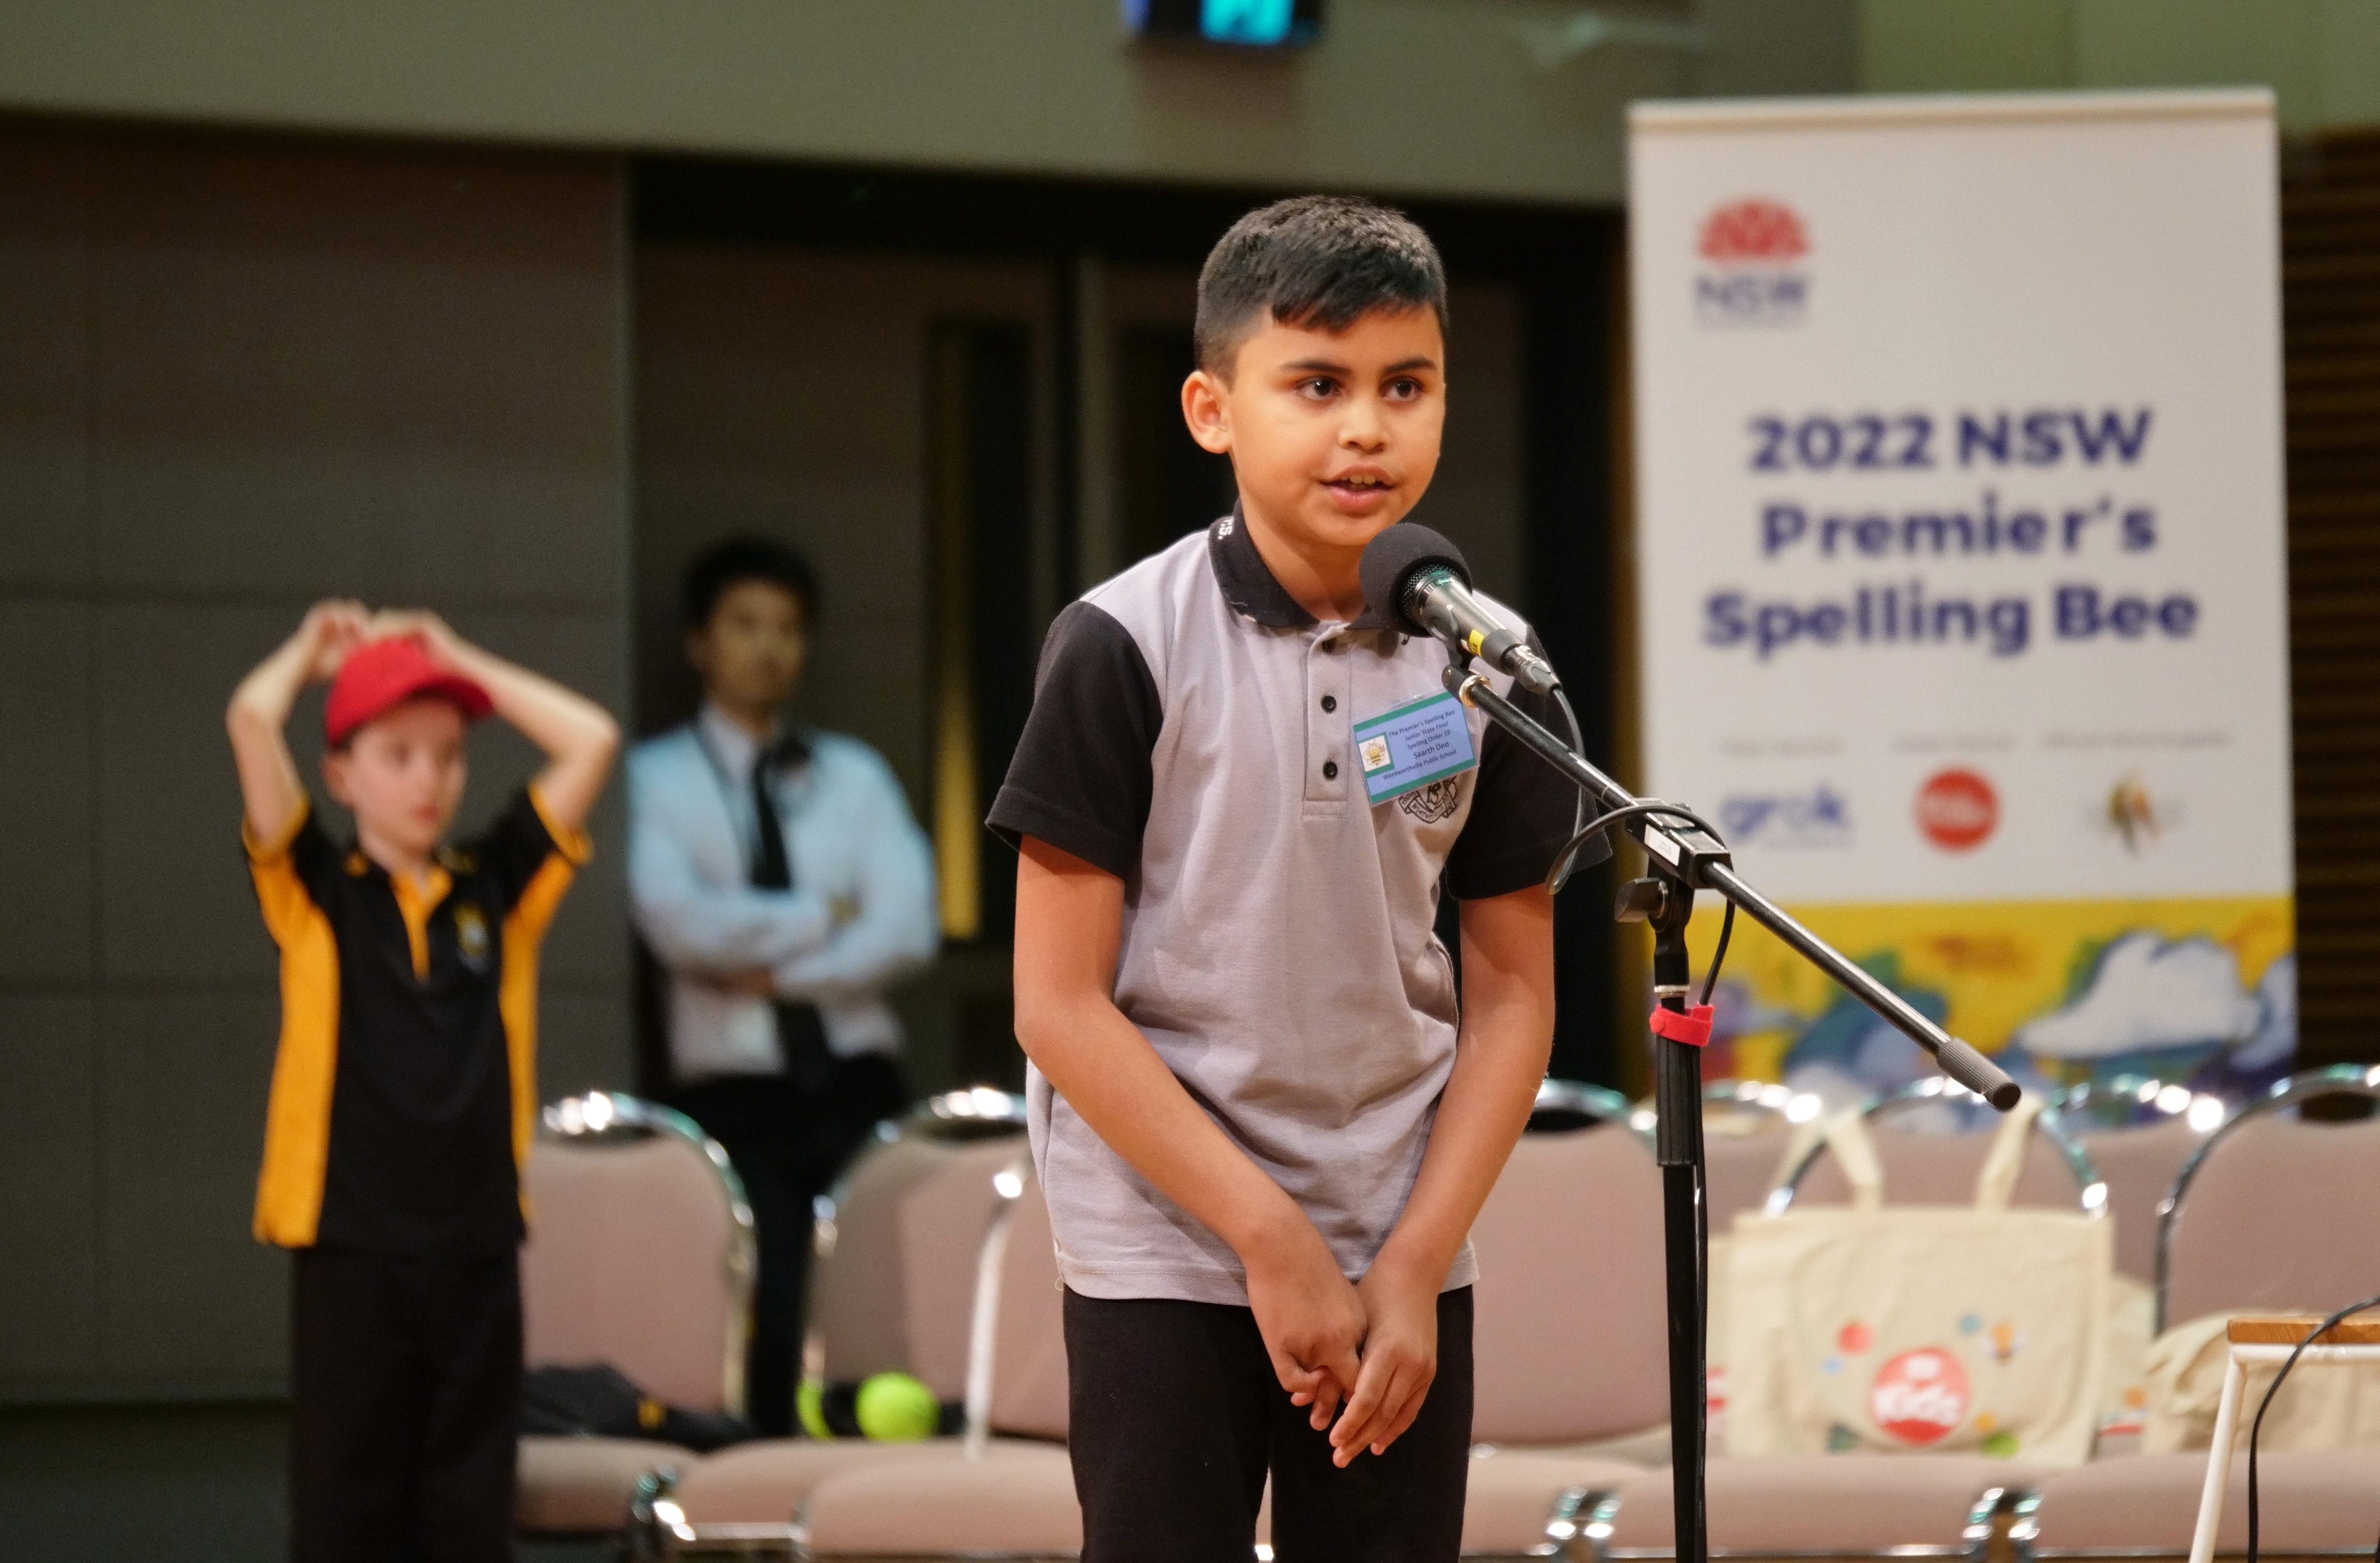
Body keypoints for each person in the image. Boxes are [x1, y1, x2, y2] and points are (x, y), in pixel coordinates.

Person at [987, 196, 1586, 1561]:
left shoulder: (1494, 663)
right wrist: (1268, 1235)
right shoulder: (1121, 644)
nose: (1365, 427)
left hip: (1399, 1240)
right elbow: (1057, 1002)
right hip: (1171, 1237)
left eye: (1405, 386)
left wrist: (1418, 1259)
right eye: (1316, 385)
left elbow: (1510, 997)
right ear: (1214, 408)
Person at [227, 603, 620, 1563]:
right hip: (349, 1244)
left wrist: (460, 660)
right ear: (340, 773)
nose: (429, 778)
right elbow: (249, 714)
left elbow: (592, 739)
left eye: (447, 754)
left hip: (476, 1242)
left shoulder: (498, 883)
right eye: (397, 754)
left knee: (467, 1512)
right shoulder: (314, 885)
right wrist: (308, 654)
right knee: (346, 1509)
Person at [627, 536, 939, 1436]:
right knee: (764, 1307)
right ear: (700, 642)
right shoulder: (657, 778)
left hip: (856, 1076)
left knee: (884, 1301)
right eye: (745, 625)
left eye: (787, 629)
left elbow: (907, 926)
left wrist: (772, 966)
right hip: (734, 1092)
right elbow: (677, 922)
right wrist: (822, 914)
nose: (768, 647)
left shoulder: (854, 777)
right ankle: (763, 1489)